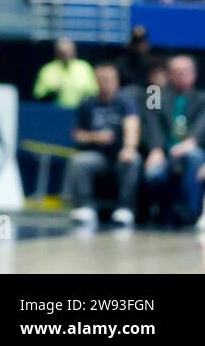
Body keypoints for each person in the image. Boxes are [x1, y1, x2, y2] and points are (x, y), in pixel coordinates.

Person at [65, 63, 140, 227]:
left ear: (117, 81)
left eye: (109, 80)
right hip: (98, 155)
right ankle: (85, 207)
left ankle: (125, 208)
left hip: (120, 154)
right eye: (101, 80)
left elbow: (132, 124)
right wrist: (95, 137)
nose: (105, 83)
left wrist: (129, 147)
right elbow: (78, 135)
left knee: (132, 160)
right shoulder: (88, 103)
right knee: (79, 161)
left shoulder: (126, 102)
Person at [141, 54, 205, 227]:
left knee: (194, 157)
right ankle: (161, 213)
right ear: (169, 75)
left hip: (193, 150)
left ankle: (191, 214)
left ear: (194, 75)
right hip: (165, 153)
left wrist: (191, 142)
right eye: (176, 72)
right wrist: (155, 149)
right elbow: (150, 122)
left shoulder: (202, 98)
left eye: (185, 71)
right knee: (154, 174)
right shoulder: (154, 94)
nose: (181, 75)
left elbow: (202, 124)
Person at [33, 38, 99, 108]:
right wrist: (52, 92)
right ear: (56, 53)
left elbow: (94, 93)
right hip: (54, 112)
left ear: (74, 51)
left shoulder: (85, 67)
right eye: (62, 52)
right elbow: (38, 96)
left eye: (69, 51)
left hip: (81, 112)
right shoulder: (47, 70)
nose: (66, 55)